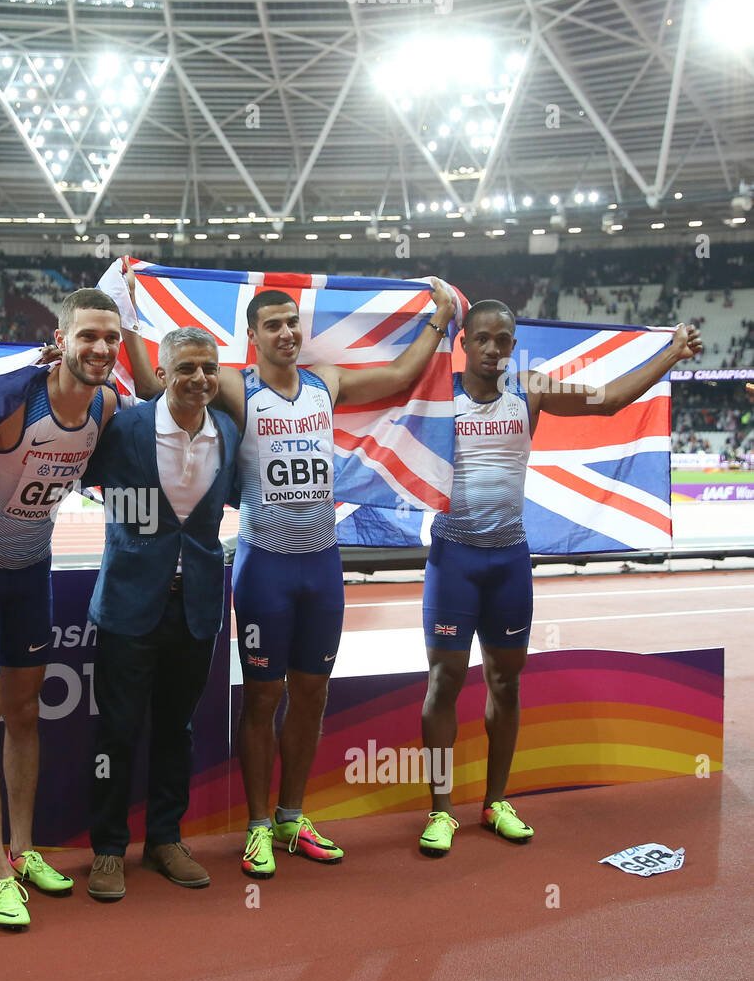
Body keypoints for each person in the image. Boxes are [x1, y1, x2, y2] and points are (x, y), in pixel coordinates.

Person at [121, 267, 455, 880]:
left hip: (322, 568)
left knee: (312, 694)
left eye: (291, 326)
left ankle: (291, 816)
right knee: (263, 697)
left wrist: (439, 317)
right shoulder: (231, 386)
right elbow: (157, 386)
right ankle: (255, 826)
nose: (285, 335)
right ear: (252, 336)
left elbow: (402, 375)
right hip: (263, 566)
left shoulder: (325, 382)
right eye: (272, 326)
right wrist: (129, 312)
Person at [417, 302, 703, 856]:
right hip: (453, 559)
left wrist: (671, 352)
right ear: (464, 342)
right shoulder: (437, 397)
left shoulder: (531, 391)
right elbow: (372, 396)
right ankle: (440, 809)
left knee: (506, 683)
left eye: (504, 339)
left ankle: (496, 801)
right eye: (482, 339)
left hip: (507, 563)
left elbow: (612, 400)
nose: (494, 349)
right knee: (443, 684)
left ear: (513, 342)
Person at [0, 288, 124, 929]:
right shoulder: (15, 402)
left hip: (32, 573)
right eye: (88, 336)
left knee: (24, 715)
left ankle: (25, 848)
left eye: (110, 338)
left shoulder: (109, 405)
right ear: (62, 340)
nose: (100, 349)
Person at [81, 326, 240, 900]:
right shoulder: (123, 426)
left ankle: (166, 838)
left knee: (177, 728)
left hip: (196, 606)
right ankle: (106, 848)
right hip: (129, 603)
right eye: (189, 368)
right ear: (164, 375)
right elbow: (74, 470)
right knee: (117, 731)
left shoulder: (227, 429)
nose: (201, 379)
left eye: (209, 369)